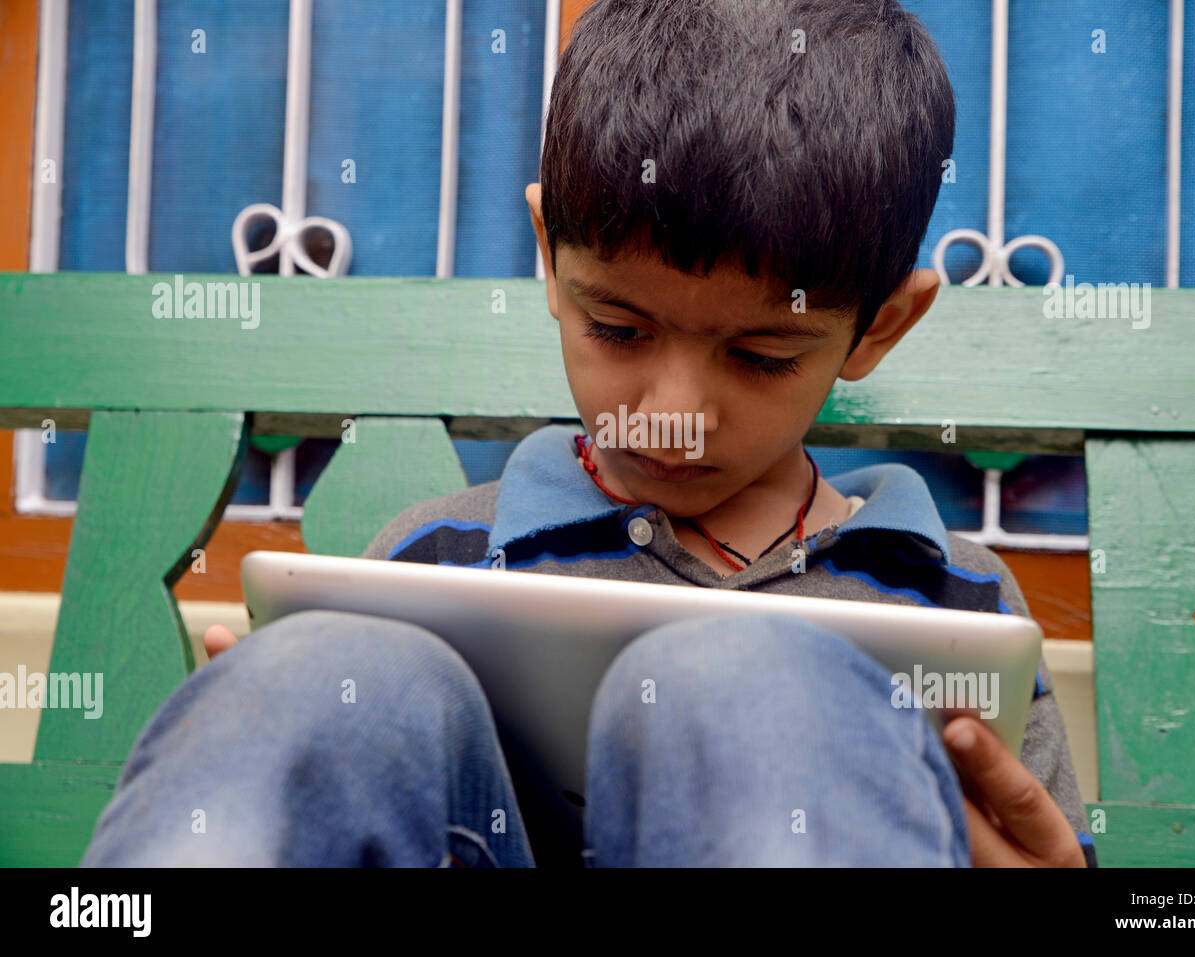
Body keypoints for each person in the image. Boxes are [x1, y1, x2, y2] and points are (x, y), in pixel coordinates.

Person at [82, 0, 1093, 868]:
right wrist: (277, 740)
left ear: (881, 325)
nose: (673, 410)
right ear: (547, 261)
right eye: (617, 327)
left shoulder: (954, 604)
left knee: (752, 682)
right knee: (317, 684)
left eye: (760, 355)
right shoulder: (435, 565)